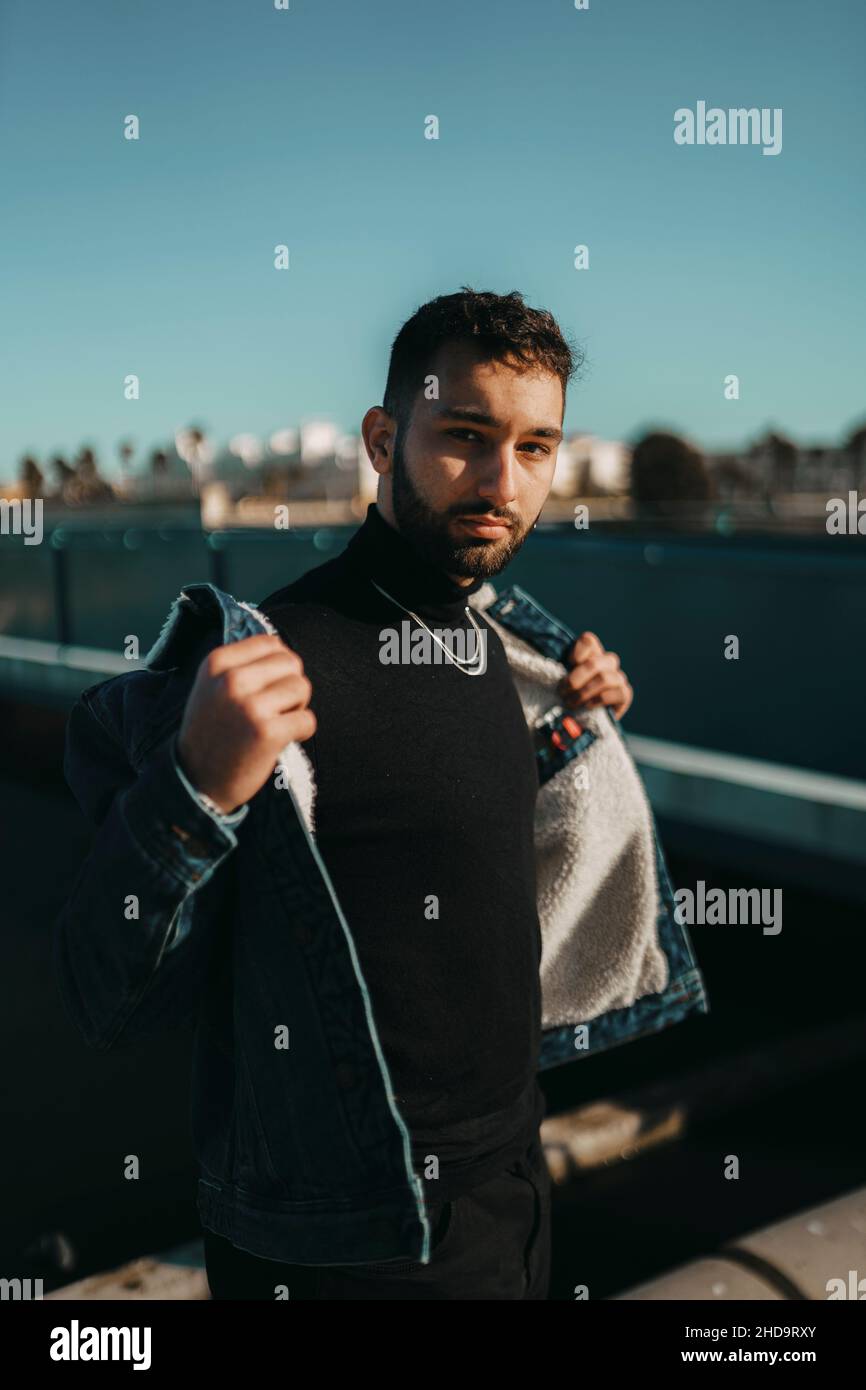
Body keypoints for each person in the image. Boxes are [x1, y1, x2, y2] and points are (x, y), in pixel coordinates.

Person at [55, 288, 707, 1301]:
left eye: (536, 447)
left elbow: (464, 825)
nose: (501, 481)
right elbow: (104, 983)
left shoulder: (501, 644)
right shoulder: (268, 663)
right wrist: (196, 786)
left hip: (514, 1197)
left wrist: (575, 721)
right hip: (349, 1242)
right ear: (380, 437)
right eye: (463, 435)